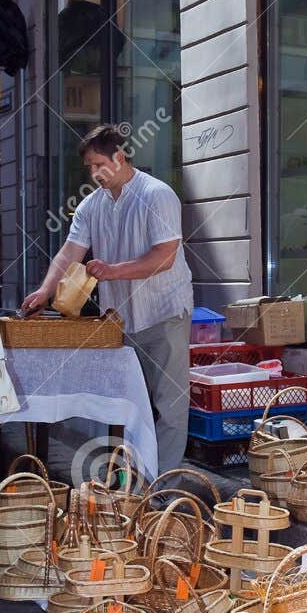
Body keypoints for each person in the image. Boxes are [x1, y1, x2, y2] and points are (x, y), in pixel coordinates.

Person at [22, 124, 193, 472]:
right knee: (128, 405)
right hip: (121, 321)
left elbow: (165, 256)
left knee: (170, 407)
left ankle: (161, 489)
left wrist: (111, 271)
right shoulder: (90, 205)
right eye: (90, 167)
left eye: (100, 164)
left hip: (164, 313)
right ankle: (132, 481)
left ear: (120, 156)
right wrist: (45, 290)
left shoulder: (157, 194)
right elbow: (69, 253)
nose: (95, 173)